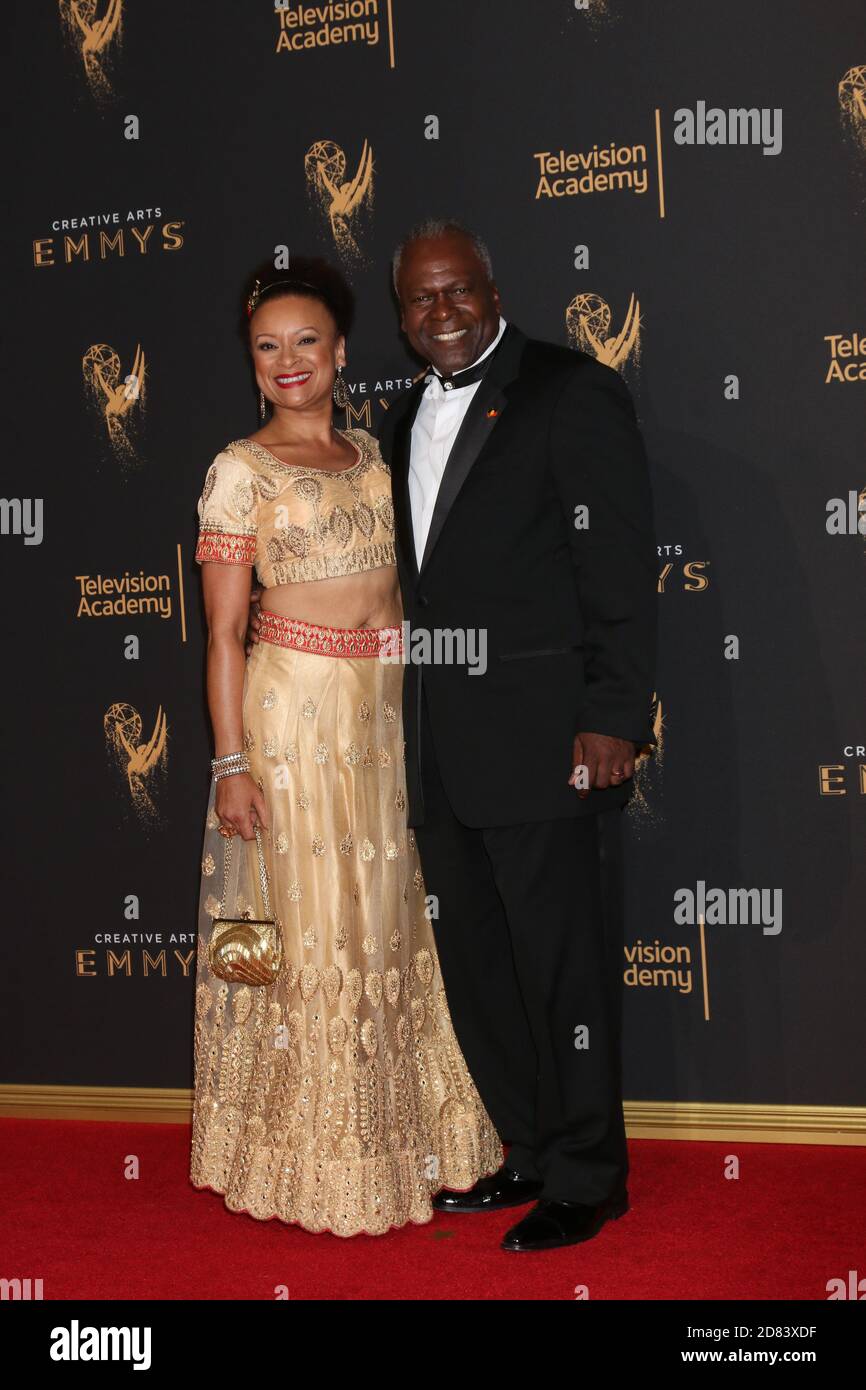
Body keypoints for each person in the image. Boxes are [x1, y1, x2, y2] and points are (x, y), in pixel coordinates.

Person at [188, 257, 502, 1238]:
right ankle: (311, 1155)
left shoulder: (374, 455)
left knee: (384, 925)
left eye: (306, 342)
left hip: (378, 720)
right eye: (267, 348)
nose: (289, 362)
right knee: (305, 933)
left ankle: (410, 1136)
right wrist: (230, 763)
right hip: (290, 723)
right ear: (252, 364)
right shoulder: (239, 471)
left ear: (340, 352)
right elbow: (223, 635)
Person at [377, 220, 658, 1251]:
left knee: (560, 966)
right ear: (399, 313)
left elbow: (619, 573)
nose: (439, 313)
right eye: (418, 299)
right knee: (481, 969)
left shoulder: (567, 390)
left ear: (491, 289)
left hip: (547, 741)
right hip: (442, 747)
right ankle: (531, 1150)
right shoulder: (403, 410)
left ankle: (589, 1175)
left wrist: (610, 716)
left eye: (456, 291)